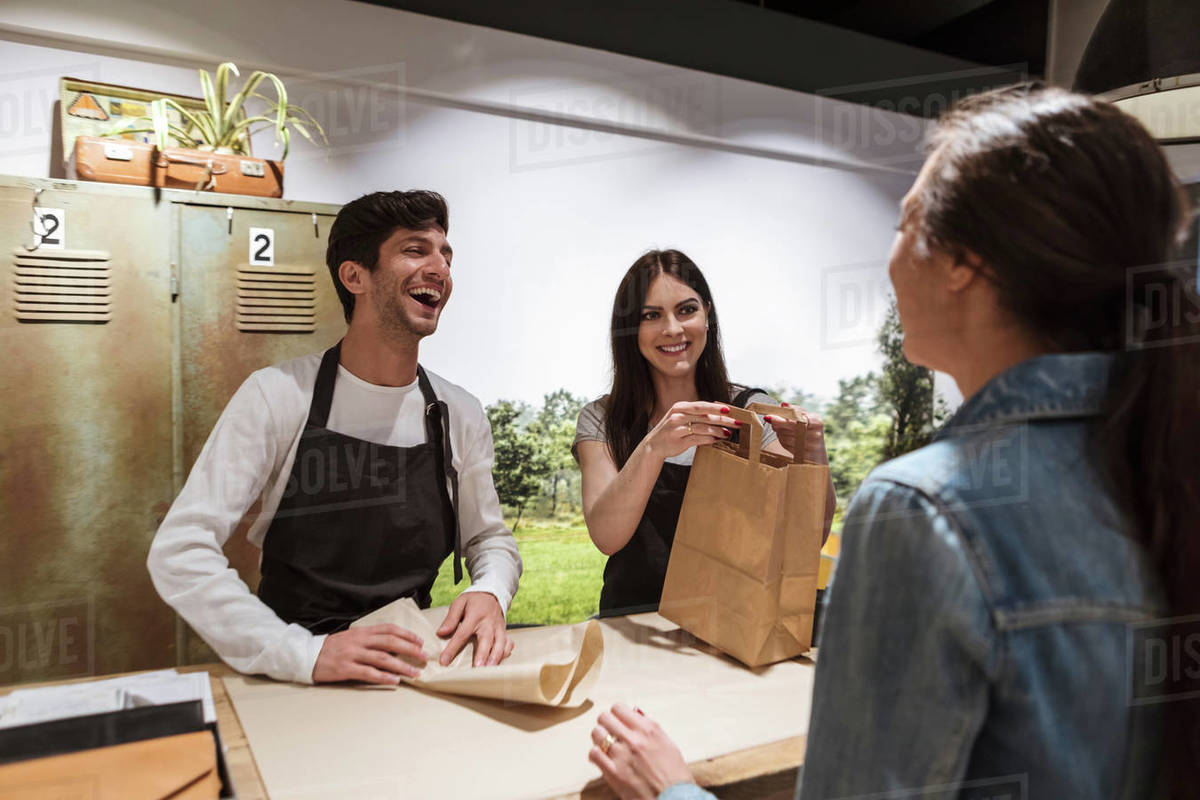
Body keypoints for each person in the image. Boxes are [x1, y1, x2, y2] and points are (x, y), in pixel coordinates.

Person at [587, 85, 1200, 799]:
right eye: (653, 315)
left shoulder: (924, 512)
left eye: (905, 222)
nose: (888, 255)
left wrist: (673, 790)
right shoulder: (1162, 460)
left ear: (963, 264)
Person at [148, 190, 523, 686]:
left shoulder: (460, 412)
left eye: (445, 255)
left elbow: (488, 538)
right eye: (415, 250)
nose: (440, 268)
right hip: (297, 677)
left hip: (415, 667)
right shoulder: (277, 396)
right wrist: (302, 654)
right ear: (355, 276)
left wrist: (491, 591)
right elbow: (180, 551)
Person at [574, 250, 836, 616]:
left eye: (686, 310)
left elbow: (808, 537)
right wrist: (653, 449)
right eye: (652, 315)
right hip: (636, 626)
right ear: (631, 328)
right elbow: (606, 537)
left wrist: (813, 456)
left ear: (707, 315)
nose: (672, 329)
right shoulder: (601, 420)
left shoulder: (749, 412)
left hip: (735, 623)